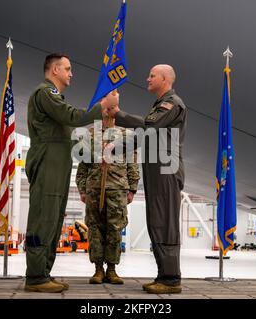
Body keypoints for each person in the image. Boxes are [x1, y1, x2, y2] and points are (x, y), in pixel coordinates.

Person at [24, 53, 119, 293]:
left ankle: (43, 272)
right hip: (48, 161)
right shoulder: (46, 93)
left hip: (57, 162)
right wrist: (102, 106)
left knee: (54, 218)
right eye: (67, 68)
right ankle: (35, 276)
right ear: (54, 70)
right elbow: (71, 116)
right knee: (43, 217)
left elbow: (69, 121)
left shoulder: (52, 97)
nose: (71, 73)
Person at [106, 64, 187, 294]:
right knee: (157, 221)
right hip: (156, 172)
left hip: (166, 171)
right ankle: (164, 275)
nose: (147, 78)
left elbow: (148, 125)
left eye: (152, 75)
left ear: (164, 79)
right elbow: (144, 136)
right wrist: (114, 149)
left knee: (166, 223)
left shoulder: (172, 103)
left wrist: (118, 114)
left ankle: (171, 279)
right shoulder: (158, 106)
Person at [75, 113, 140, 285]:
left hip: (118, 189)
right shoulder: (90, 134)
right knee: (94, 229)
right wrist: (82, 189)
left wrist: (132, 188)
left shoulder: (126, 135)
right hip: (94, 189)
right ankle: (98, 269)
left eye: (112, 109)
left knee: (115, 229)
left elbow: (132, 163)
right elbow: (83, 166)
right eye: (106, 109)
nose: (108, 113)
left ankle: (111, 269)